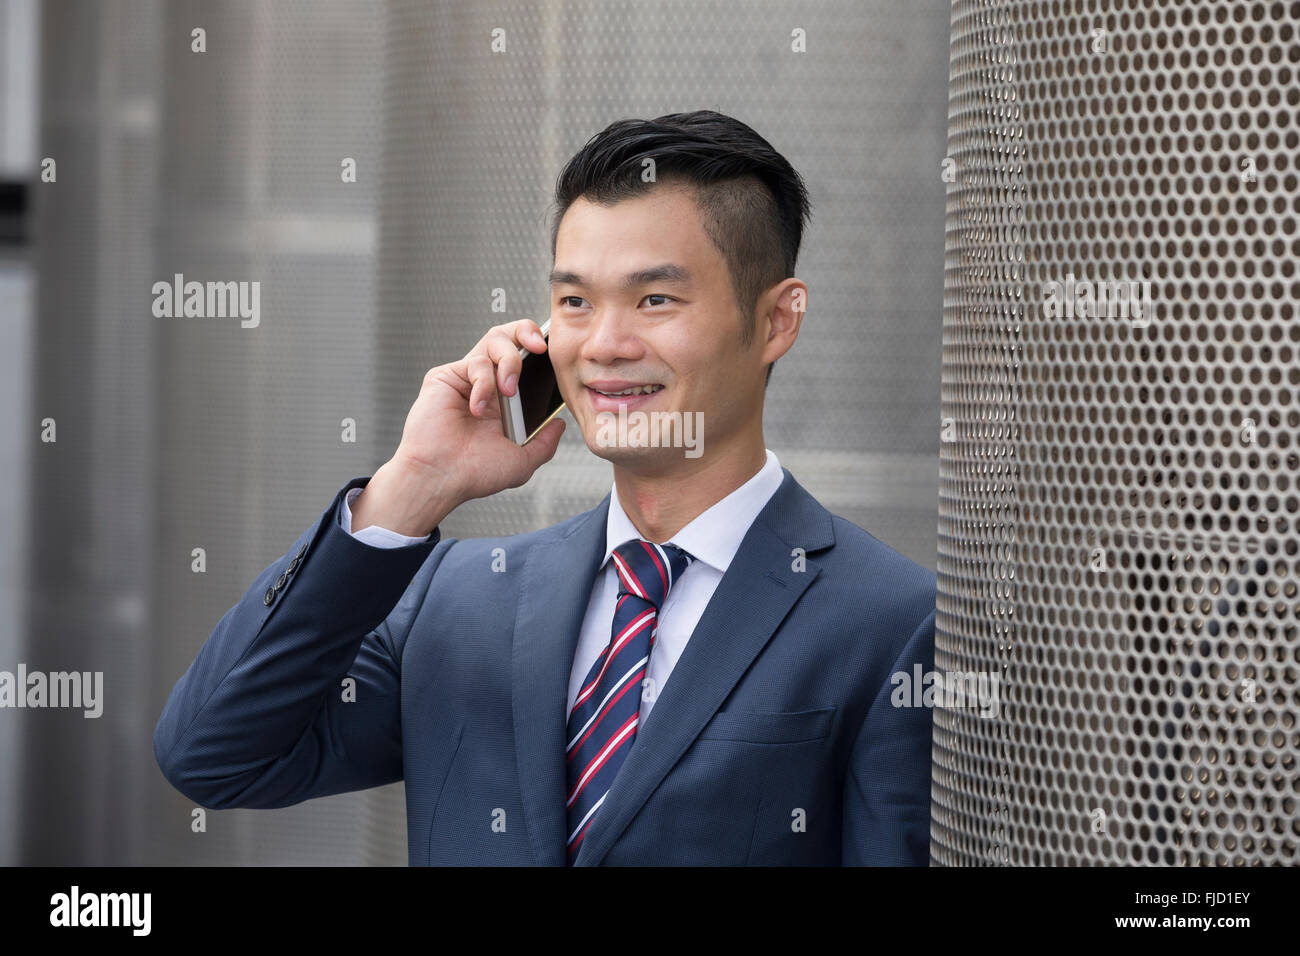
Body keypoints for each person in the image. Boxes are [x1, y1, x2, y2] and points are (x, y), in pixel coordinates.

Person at [154, 109, 937, 866]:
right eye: (574, 302)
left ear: (776, 321)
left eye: (655, 299)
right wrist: (411, 489)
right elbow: (213, 754)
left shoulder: (889, 623)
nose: (604, 344)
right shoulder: (461, 601)